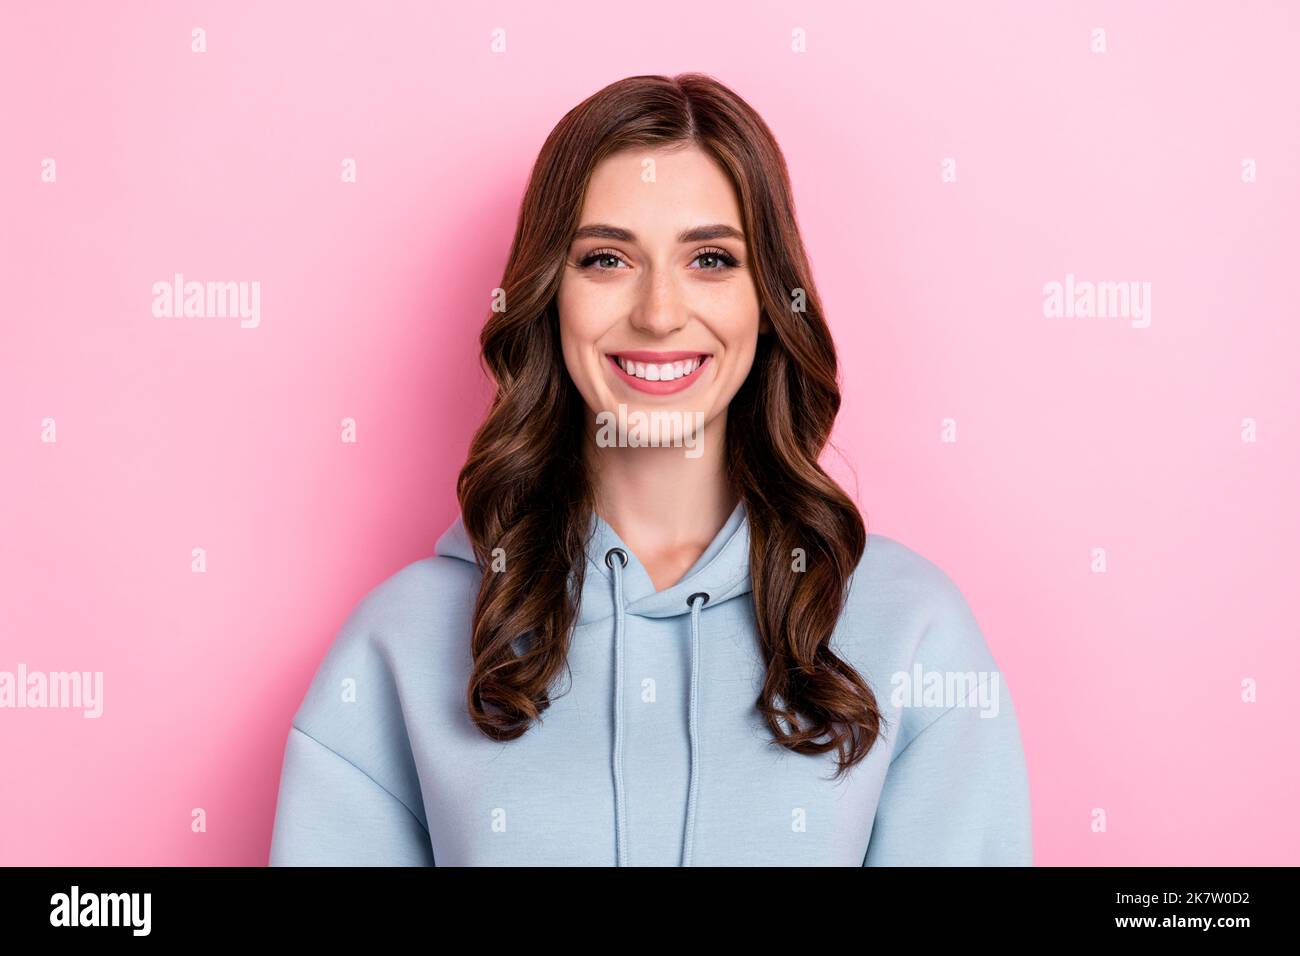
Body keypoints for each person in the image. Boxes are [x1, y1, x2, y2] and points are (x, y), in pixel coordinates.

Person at [268, 72, 1032, 866]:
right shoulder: (400, 642)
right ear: (548, 293)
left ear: (770, 299)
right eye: (606, 259)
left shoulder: (915, 631)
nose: (660, 313)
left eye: (710, 258)